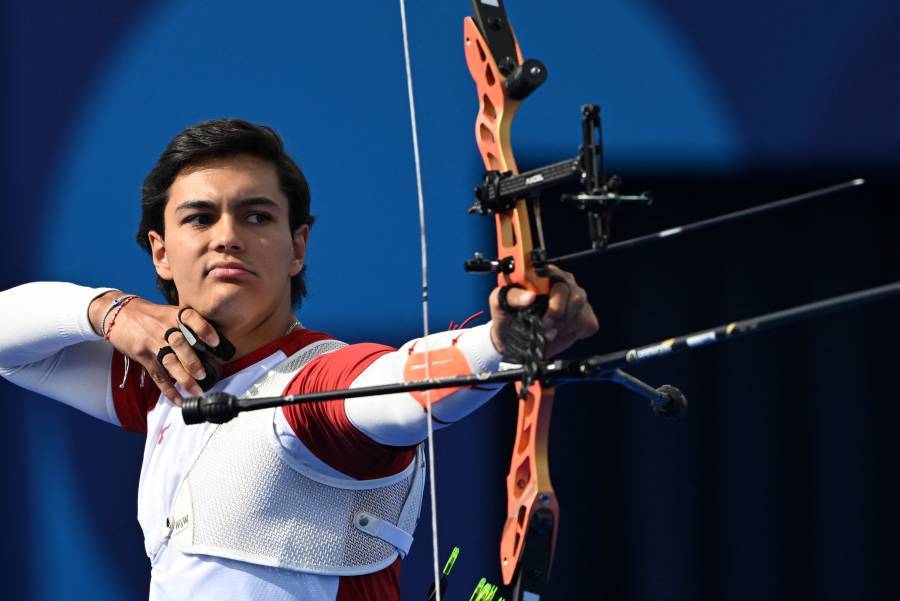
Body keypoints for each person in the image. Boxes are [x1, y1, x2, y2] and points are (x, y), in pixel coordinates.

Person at [0, 119, 598, 601]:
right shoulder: (169, 382)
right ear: (160, 251)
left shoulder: (317, 385)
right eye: (199, 218)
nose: (227, 236)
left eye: (257, 216)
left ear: (297, 247)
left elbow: (395, 384)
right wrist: (113, 312)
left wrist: (500, 343)